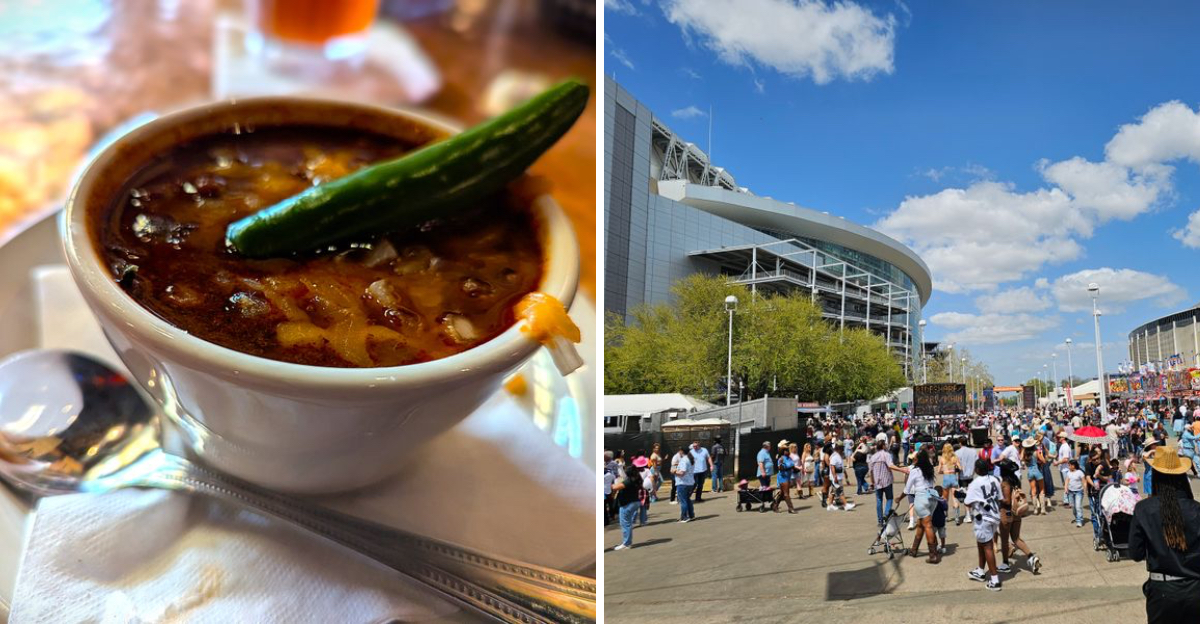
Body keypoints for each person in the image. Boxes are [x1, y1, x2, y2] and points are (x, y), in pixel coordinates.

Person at [1129, 446, 1200, 622]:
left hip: (1162, 590)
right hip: (1195, 589)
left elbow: (1136, 553)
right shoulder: (1196, 509)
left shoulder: (1144, 509)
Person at [997, 459, 1043, 574]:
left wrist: (996, 498)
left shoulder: (1005, 483)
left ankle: (1005, 563)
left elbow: (1007, 501)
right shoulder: (1015, 480)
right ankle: (1031, 557)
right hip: (1017, 513)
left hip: (1006, 514)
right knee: (1016, 538)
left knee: (1004, 540)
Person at [964, 459, 1004, 591]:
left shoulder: (975, 483)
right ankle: (980, 571)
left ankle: (995, 579)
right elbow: (999, 498)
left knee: (987, 546)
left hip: (983, 518)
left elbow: (967, 502)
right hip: (994, 515)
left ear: (978, 470)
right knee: (981, 543)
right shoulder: (994, 479)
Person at [901, 452, 938, 562]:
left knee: (927, 525)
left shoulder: (915, 471)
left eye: (915, 459)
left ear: (918, 460)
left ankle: (933, 555)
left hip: (921, 498)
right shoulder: (930, 469)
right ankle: (914, 549)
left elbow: (907, 489)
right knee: (921, 524)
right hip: (932, 496)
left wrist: (899, 498)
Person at [610, 456, 644, 550]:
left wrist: (610, 482)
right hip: (634, 502)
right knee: (627, 523)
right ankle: (627, 542)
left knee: (625, 523)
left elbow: (615, 487)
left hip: (627, 504)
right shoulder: (636, 479)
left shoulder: (629, 481)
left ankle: (626, 543)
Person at [939, 443, 964, 525]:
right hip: (953, 478)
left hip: (946, 478)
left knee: (945, 499)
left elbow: (939, 471)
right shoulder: (955, 458)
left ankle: (946, 516)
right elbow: (960, 468)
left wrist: (943, 471)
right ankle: (957, 518)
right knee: (955, 498)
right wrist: (956, 468)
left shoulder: (942, 459)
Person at [827, 444, 856, 511]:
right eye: (842, 448)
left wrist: (845, 474)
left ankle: (830, 505)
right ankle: (845, 505)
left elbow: (841, 466)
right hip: (836, 477)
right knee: (840, 491)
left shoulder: (837, 455)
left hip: (838, 476)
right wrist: (835, 477)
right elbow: (832, 467)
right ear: (838, 448)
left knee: (833, 492)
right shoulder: (835, 456)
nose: (843, 450)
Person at [1022, 438, 1047, 515]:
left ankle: (1035, 509)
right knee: (1042, 489)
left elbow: (1024, 462)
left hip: (1030, 472)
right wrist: (1041, 456)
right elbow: (1044, 461)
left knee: (1033, 491)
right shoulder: (1036, 452)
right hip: (1037, 471)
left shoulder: (1025, 454)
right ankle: (1043, 509)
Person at [773, 440, 797, 514]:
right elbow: (780, 468)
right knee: (786, 493)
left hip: (788, 477)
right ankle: (791, 508)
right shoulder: (781, 458)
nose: (788, 451)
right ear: (783, 451)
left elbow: (793, 466)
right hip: (783, 477)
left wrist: (797, 469)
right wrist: (782, 465)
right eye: (786, 450)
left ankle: (775, 506)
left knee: (782, 493)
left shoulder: (788, 458)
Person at [673, 447, 695, 522]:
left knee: (683, 501)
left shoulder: (684, 460)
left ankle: (684, 517)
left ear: (682, 451)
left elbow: (682, 473)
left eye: (680, 451)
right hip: (690, 483)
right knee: (687, 499)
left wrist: (674, 472)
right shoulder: (690, 459)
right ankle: (691, 515)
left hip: (683, 483)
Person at [1065, 460, 1086, 528]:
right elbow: (1067, 481)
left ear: (1074, 465)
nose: (1069, 466)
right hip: (1070, 492)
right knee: (1073, 507)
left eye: (1070, 465)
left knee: (1078, 506)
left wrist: (1085, 489)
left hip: (1079, 492)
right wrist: (1066, 488)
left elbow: (1084, 481)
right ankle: (1078, 517)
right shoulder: (1069, 473)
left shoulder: (1080, 472)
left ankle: (1079, 521)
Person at [932, 485, 949, 556]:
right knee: (942, 535)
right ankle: (943, 547)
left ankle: (935, 545)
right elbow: (945, 508)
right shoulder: (943, 501)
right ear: (941, 493)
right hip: (941, 521)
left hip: (934, 521)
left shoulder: (932, 500)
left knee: (933, 534)